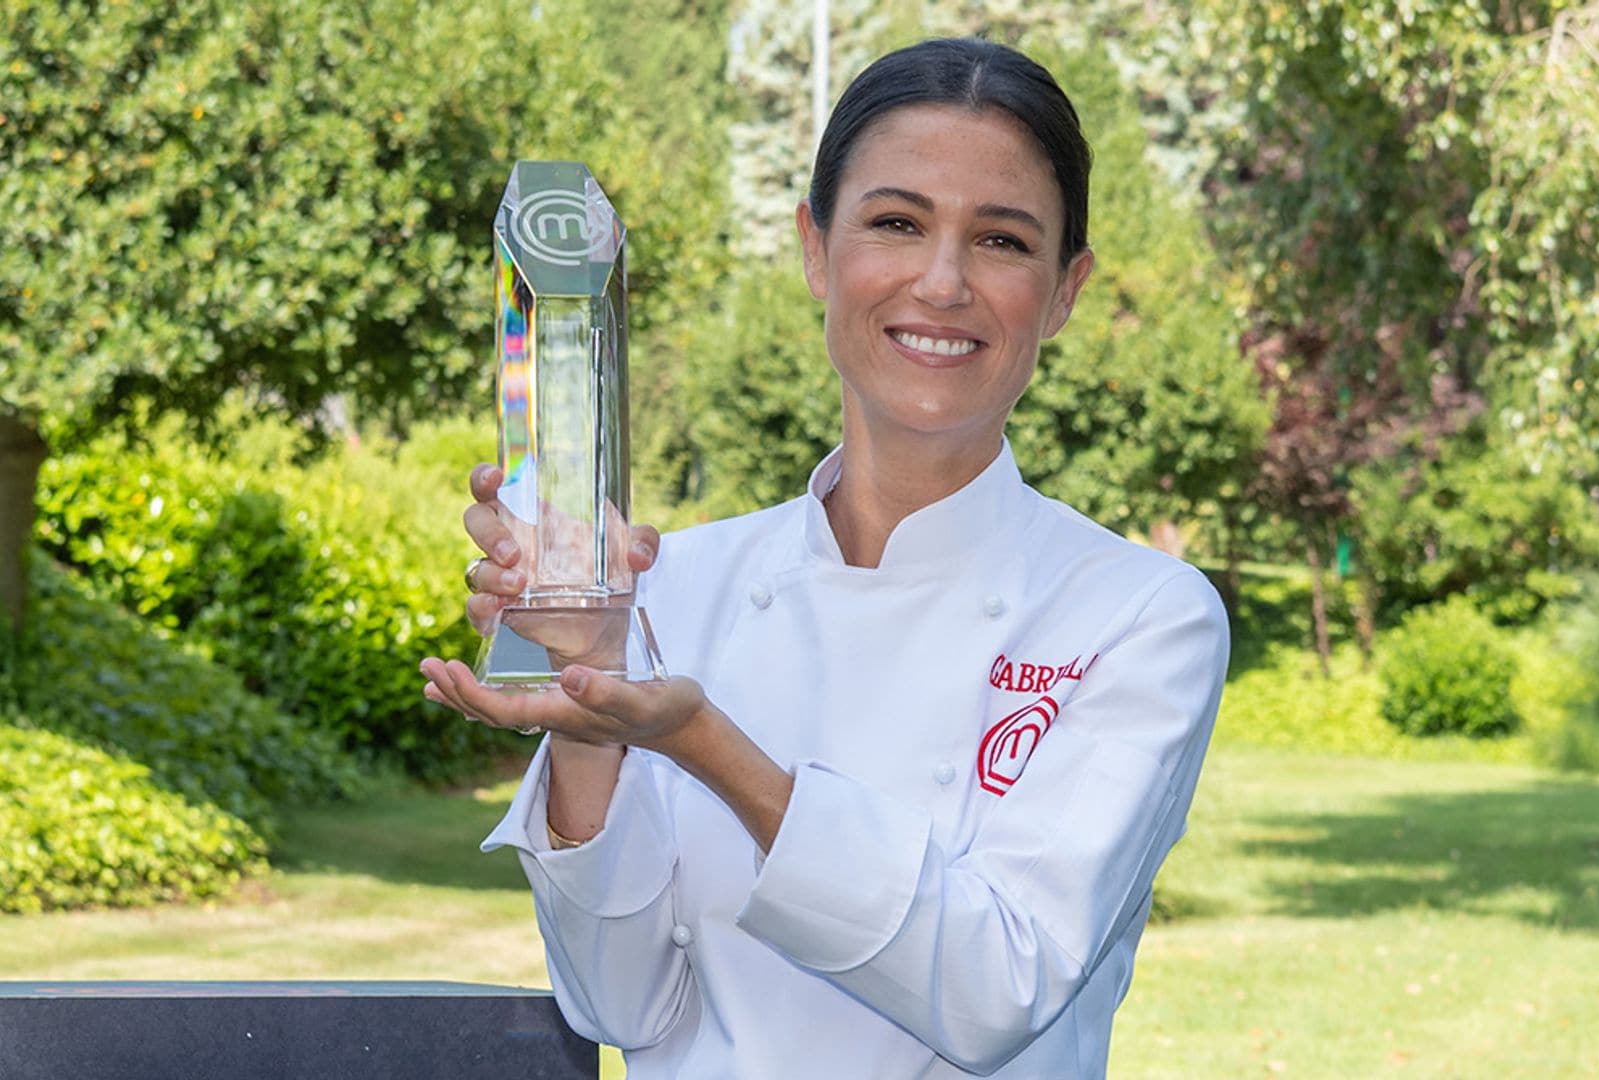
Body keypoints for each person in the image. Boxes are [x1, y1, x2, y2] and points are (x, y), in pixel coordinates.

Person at [420, 37, 1229, 1078]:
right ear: (816, 247)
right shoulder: (668, 585)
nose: (941, 283)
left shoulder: (1138, 613)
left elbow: (998, 989)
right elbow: (618, 1002)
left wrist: (706, 742)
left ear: (1065, 290)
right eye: (896, 223)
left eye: (1002, 241)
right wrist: (587, 722)